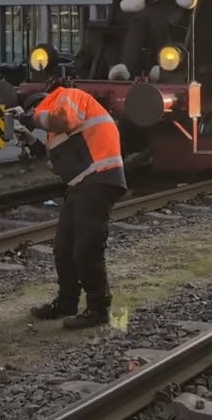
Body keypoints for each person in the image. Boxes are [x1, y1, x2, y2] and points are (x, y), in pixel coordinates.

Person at [13, 77, 127, 329]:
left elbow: (64, 119)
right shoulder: (56, 131)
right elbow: (58, 165)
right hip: (82, 184)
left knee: (86, 248)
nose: (37, 118)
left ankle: (98, 309)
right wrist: (31, 141)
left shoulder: (68, 96)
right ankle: (67, 302)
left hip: (100, 179)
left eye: (37, 111)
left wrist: (31, 119)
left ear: (45, 102)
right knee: (63, 248)